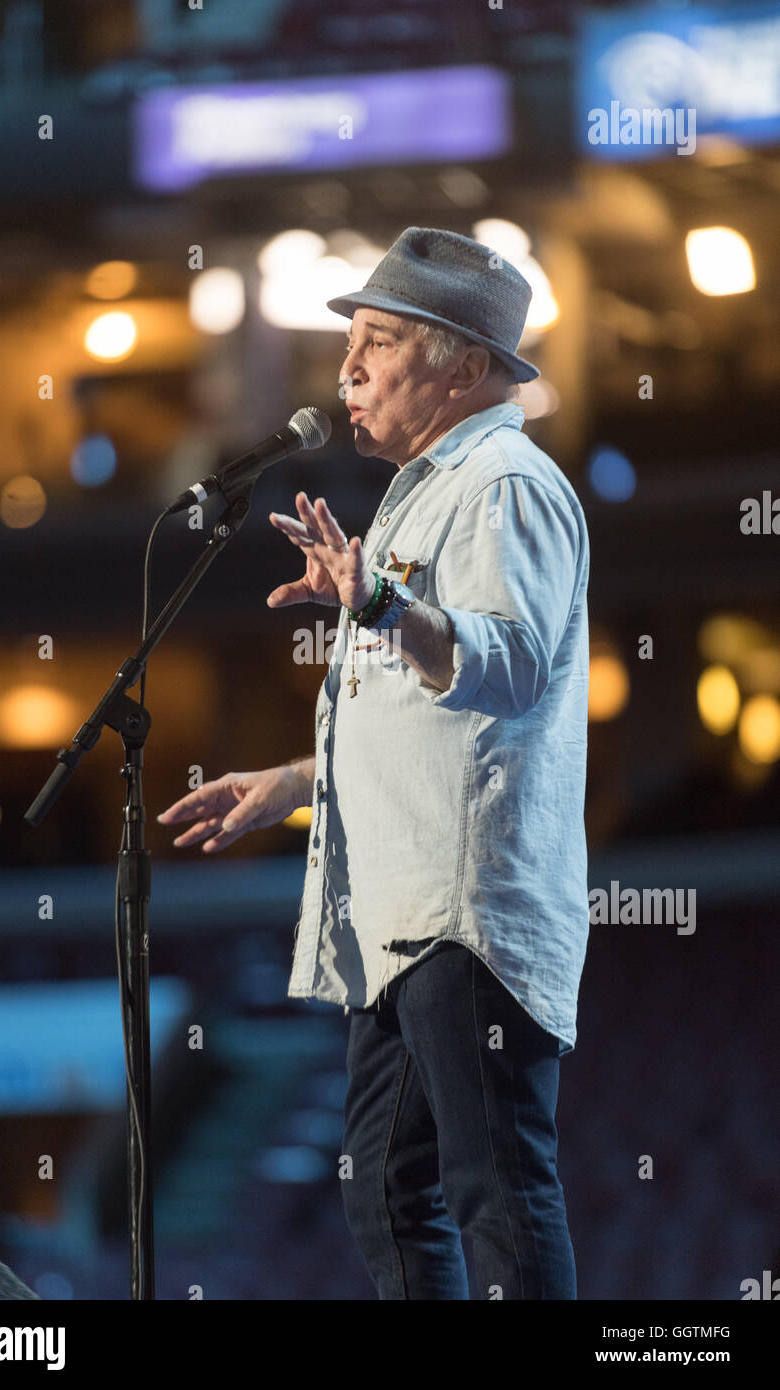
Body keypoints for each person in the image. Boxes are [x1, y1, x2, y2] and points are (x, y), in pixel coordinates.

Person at [158, 227, 590, 1300]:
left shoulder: (503, 484)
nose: (346, 369)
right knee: (387, 1197)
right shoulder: (423, 489)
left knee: (495, 1188)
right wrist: (291, 783)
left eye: (381, 340)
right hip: (402, 918)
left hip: (464, 915)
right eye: (350, 340)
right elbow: (417, 715)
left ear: (466, 366)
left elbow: (511, 666)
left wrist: (381, 604)